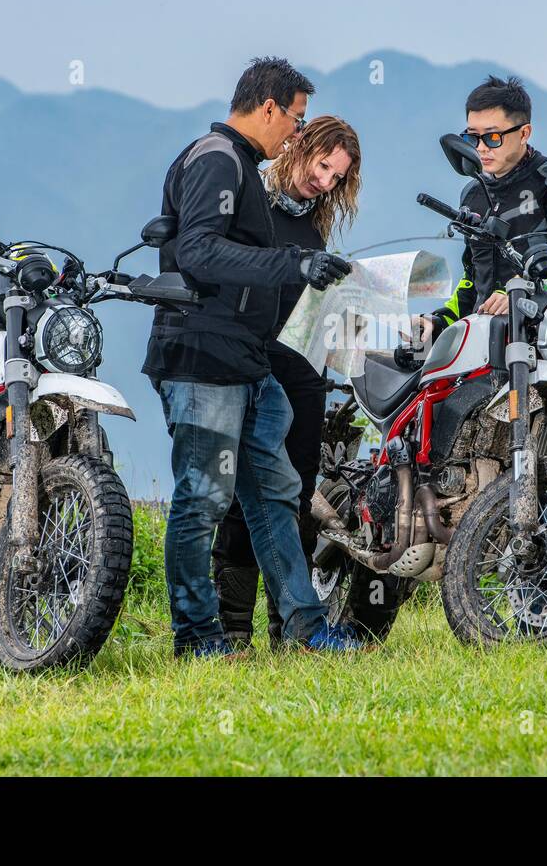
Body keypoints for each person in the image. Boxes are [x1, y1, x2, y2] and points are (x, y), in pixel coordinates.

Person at [143, 57, 362, 658]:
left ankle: (305, 628)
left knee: (276, 492)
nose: (296, 131)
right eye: (295, 117)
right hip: (201, 356)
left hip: (249, 364)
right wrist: (292, 264)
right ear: (268, 107)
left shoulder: (245, 168)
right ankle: (198, 636)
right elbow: (200, 252)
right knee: (204, 497)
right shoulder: (217, 157)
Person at [211, 115, 361, 649]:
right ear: (298, 147)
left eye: (338, 178)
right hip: (254, 368)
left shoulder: (315, 225)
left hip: (306, 375)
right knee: (237, 497)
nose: (325, 182)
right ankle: (231, 628)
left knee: (296, 495)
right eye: (323, 167)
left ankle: (289, 629)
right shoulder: (255, 209)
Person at [413, 74, 547, 449]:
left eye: (492, 136)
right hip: (483, 342)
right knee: (436, 432)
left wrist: (521, 286)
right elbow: (471, 281)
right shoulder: (473, 194)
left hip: (543, 339)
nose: (481, 147)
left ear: (524, 132)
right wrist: (440, 320)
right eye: (472, 137)